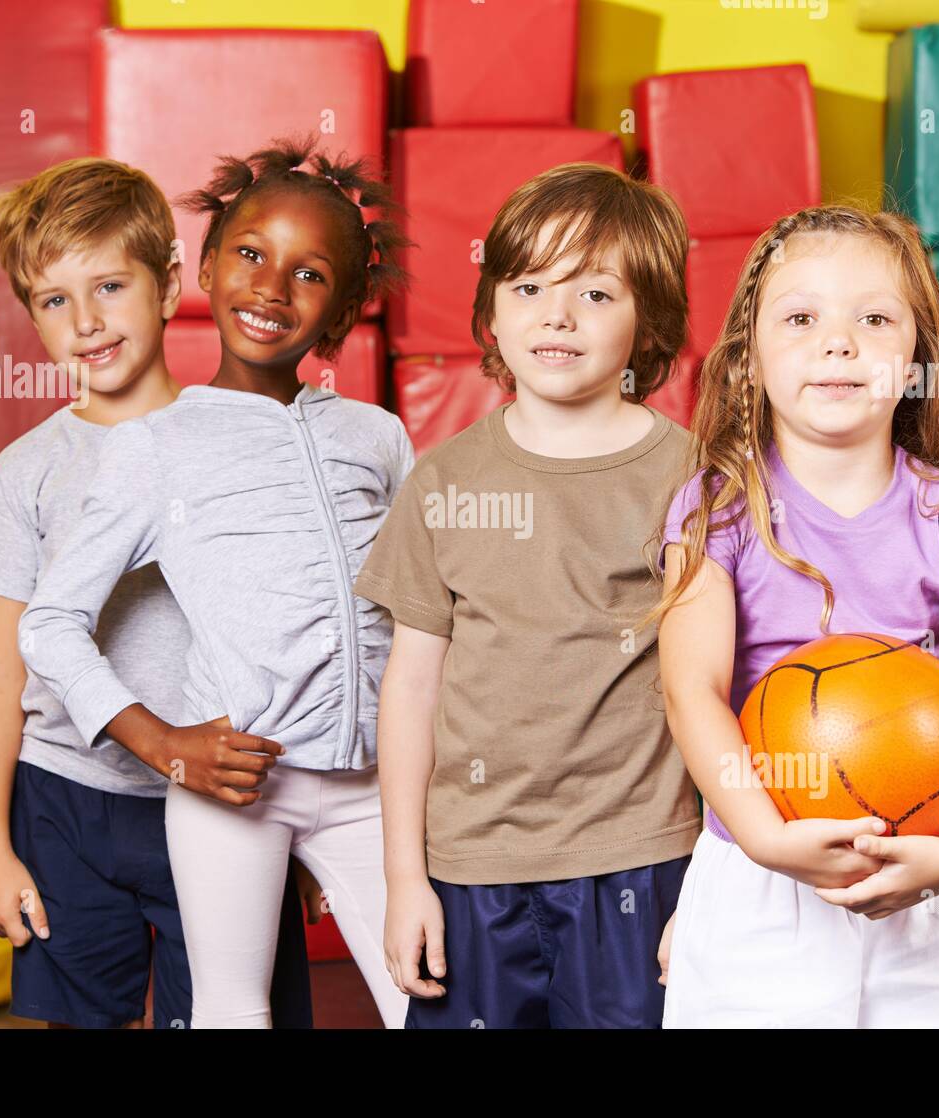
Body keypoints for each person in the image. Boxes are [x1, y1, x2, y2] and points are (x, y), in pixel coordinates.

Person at [17, 135, 414, 1028]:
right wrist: (162, 743)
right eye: (249, 254)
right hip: (234, 791)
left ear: (344, 309)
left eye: (309, 274)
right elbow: (47, 626)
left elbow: (427, 612)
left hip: (375, 791)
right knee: (235, 1013)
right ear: (203, 266)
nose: (271, 289)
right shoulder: (154, 446)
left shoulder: (378, 437)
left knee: (428, 995)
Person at [653, 204, 939, 1028]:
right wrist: (764, 839)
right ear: (748, 362)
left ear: (915, 361)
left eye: (874, 318)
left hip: (931, 876)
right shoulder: (715, 510)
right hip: (762, 872)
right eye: (801, 318)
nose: (840, 342)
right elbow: (692, 691)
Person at [0, 156, 316, 1029]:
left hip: (222, 801)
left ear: (168, 285)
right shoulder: (26, 472)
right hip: (66, 799)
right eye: (53, 300)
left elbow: (295, 637)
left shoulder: (242, 442)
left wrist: (305, 818)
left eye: (109, 285)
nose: (85, 322)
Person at [358, 161, 700, 1028]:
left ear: (648, 318)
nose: (555, 313)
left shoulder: (691, 476)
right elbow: (411, 685)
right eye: (529, 285)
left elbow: (720, 681)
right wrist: (404, 877)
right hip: (473, 867)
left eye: (594, 293)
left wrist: (718, 876)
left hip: (639, 861)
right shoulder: (443, 480)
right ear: (491, 313)